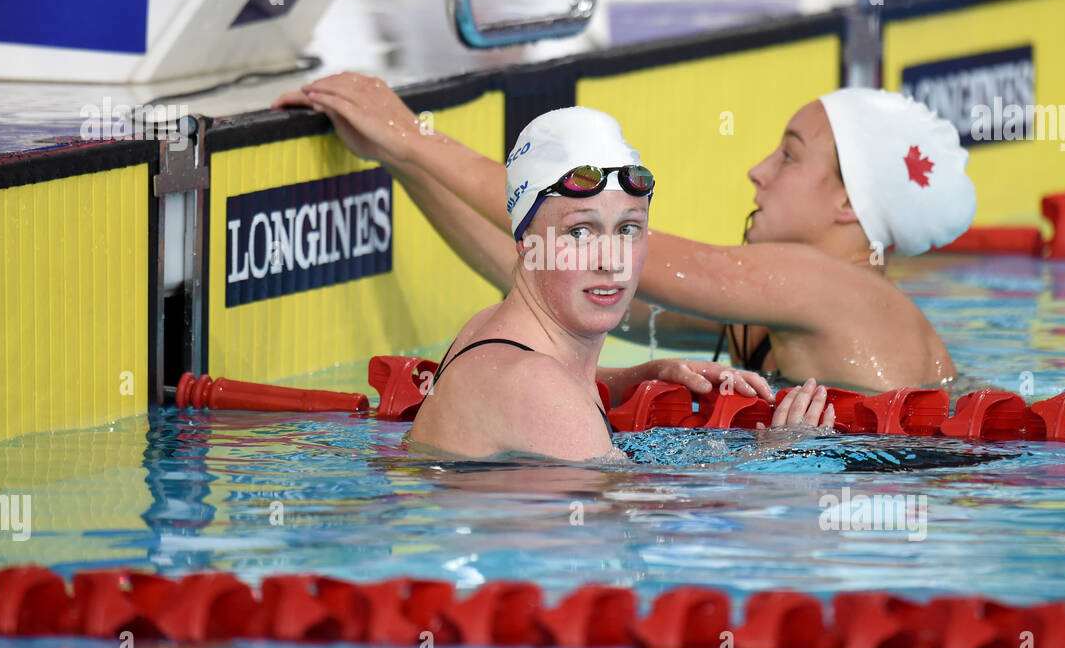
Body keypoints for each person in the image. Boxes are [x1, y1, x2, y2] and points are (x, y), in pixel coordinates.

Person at [273, 76, 976, 395]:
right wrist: (400, 159)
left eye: (789, 155)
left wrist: (413, 133)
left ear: (849, 205)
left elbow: (583, 213)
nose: (758, 171)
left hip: (912, 477)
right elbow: (546, 272)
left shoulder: (837, 285)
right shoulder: (775, 316)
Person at [329, 104, 835, 461]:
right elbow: (640, 518)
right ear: (526, 239)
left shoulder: (495, 332)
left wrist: (645, 372)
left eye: (628, 229)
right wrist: (778, 456)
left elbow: (560, 391)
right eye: (580, 230)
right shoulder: (534, 386)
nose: (612, 260)